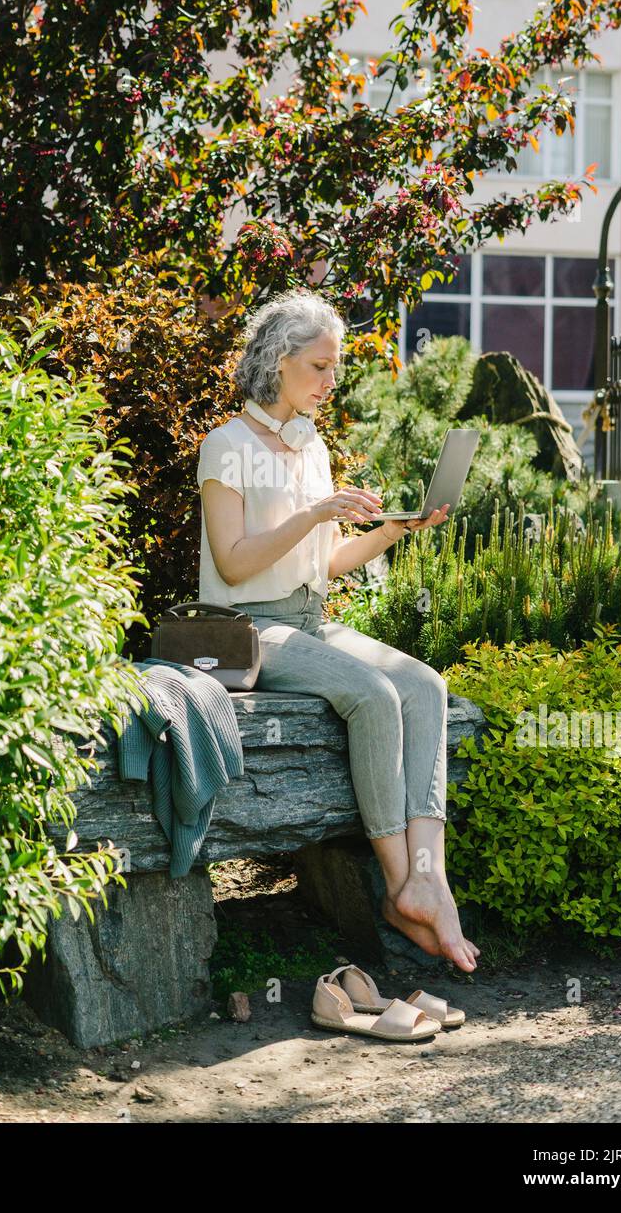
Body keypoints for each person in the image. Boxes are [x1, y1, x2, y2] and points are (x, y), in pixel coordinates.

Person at [196, 288, 479, 973]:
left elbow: (326, 562)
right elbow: (233, 565)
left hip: (309, 620)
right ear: (277, 361)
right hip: (247, 631)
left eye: (335, 369)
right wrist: (316, 511)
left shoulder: (311, 445)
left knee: (423, 684)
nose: (331, 381)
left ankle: (426, 876)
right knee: (373, 695)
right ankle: (402, 889)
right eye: (320, 367)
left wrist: (389, 531)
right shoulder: (225, 447)